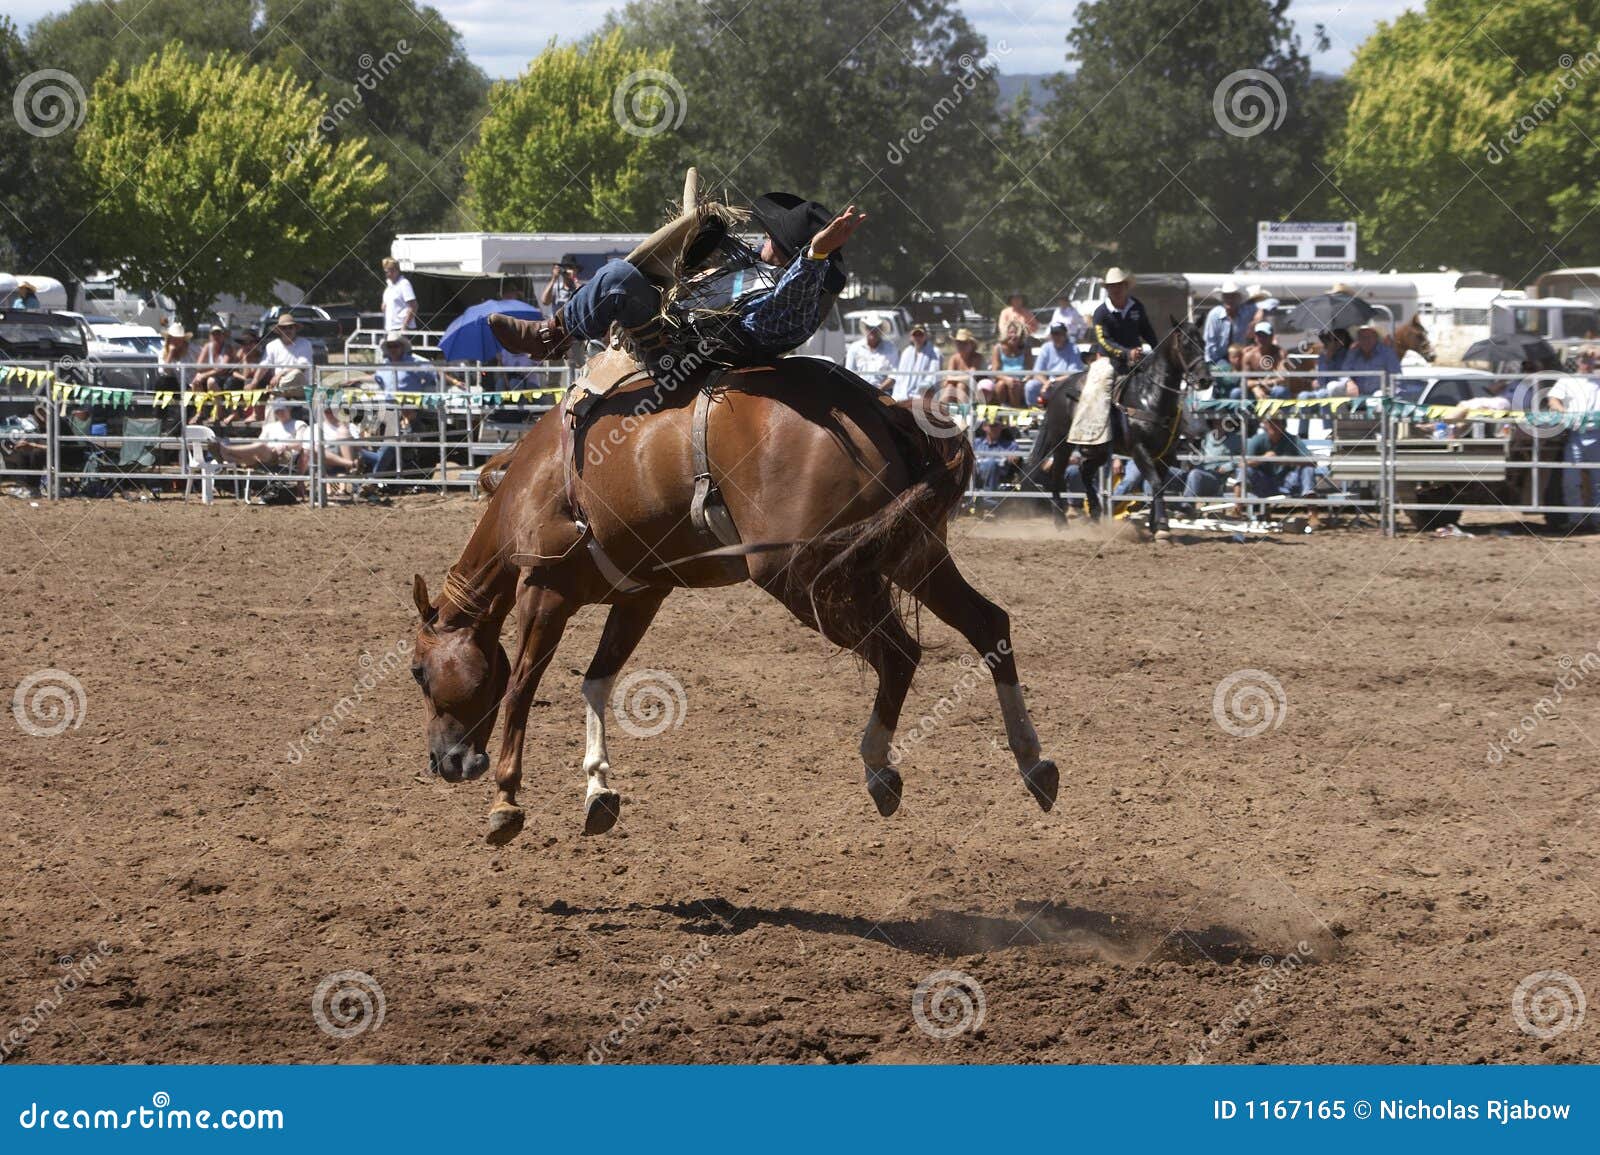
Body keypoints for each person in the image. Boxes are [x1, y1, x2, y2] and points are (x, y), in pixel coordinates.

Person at [490, 182, 862, 372]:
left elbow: (789, 298)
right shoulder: (754, 266)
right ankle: (568, 331)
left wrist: (816, 254)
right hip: (677, 322)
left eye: (771, 236)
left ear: (785, 251)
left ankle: (551, 337)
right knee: (629, 274)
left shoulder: (784, 300)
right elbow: (720, 250)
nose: (764, 236)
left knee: (618, 278)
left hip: (680, 349)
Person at [1549, 369, 1600, 531]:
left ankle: (1597, 520)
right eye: (1585, 356)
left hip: (1597, 433)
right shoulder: (1568, 380)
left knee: (1598, 482)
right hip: (1576, 434)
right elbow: (1553, 399)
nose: (1590, 360)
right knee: (1570, 480)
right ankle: (1575, 519)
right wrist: (1564, 413)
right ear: (1578, 360)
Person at [1245, 416, 1315, 498]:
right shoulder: (1257, 439)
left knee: (1308, 468)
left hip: (1289, 482)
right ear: (1265, 425)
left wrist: (1287, 461)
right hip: (1264, 482)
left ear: (1283, 425)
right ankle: (1238, 506)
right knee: (1245, 470)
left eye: (1277, 422)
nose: (1273, 426)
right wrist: (1263, 458)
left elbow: (1312, 461)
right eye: (1270, 423)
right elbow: (1243, 464)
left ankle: (1311, 506)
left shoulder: (1293, 440)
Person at [1332, 322, 1401, 396]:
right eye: (1362, 337)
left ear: (1376, 338)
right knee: (1333, 386)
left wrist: (1388, 391)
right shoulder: (1353, 353)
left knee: (1379, 395)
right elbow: (1344, 373)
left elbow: (1396, 377)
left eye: (1369, 337)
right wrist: (1349, 382)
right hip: (1357, 395)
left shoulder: (1387, 353)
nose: (1365, 340)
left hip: (1380, 394)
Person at [252, 315, 314, 395]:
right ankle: (277, 393)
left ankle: (277, 391)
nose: (288, 330)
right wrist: (254, 382)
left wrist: (280, 374)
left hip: (301, 388)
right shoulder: (272, 345)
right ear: (279, 330)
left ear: (295, 329)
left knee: (296, 373)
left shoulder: (305, 344)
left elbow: (303, 367)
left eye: (290, 327)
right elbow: (264, 366)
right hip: (278, 386)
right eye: (284, 328)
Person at [1202, 280, 1256, 366]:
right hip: (1218, 359)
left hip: (1240, 357)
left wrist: (1260, 312)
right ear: (1223, 298)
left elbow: (1269, 303)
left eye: (1233, 296)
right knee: (1229, 377)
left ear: (1239, 298)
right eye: (1227, 296)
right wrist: (1215, 364)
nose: (1230, 299)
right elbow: (1210, 343)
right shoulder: (1215, 315)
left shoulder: (1245, 311)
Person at [1029, 321, 1084, 406]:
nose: (1057, 337)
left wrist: (1052, 381)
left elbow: (1073, 374)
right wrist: (1046, 383)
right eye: (1054, 334)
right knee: (1030, 386)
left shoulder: (1073, 348)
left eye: (1059, 334)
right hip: (1047, 383)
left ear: (1065, 335)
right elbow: (1037, 371)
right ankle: (1032, 414)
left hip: (1065, 383)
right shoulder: (1046, 347)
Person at [1237, 321, 1290, 399]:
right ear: (1255, 337)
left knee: (1280, 391)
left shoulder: (1280, 354)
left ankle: (1278, 411)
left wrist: (1263, 384)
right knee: (1236, 393)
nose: (1261, 339)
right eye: (1259, 335)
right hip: (1255, 391)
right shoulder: (1248, 356)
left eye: (1265, 335)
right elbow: (1244, 382)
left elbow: (1283, 379)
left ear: (1271, 337)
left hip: (1273, 389)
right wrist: (1255, 388)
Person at [985, 328, 1032, 408]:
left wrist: (1024, 380)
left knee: (1015, 385)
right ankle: (1001, 415)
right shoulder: (998, 348)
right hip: (1003, 380)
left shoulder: (1026, 349)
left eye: (1016, 333)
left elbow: (1030, 370)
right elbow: (994, 371)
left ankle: (1015, 414)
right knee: (1001, 385)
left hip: (1021, 383)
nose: (1013, 335)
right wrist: (1006, 379)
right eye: (1011, 332)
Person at [891, 324, 940, 401]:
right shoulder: (906, 352)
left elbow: (933, 376)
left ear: (926, 336)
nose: (917, 338)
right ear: (911, 337)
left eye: (920, 335)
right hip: (903, 395)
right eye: (915, 335)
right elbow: (900, 376)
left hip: (922, 395)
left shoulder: (935, 352)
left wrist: (922, 389)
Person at [845, 319, 897, 390]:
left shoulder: (891, 347)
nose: (873, 330)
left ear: (881, 329)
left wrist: (878, 390)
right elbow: (849, 372)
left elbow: (894, 375)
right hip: (859, 391)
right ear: (865, 329)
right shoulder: (855, 347)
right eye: (870, 327)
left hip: (884, 393)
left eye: (876, 327)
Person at [973, 420, 1019, 491]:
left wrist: (1014, 459)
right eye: (992, 425)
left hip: (998, 475)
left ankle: (989, 499)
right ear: (984, 427)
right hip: (977, 473)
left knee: (991, 464)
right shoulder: (976, 443)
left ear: (1002, 427)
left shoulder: (1010, 445)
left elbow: (1016, 459)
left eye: (997, 425)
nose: (994, 429)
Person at [942, 328, 983, 406]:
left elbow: (971, 377)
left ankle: (964, 415)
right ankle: (941, 414)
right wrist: (955, 379)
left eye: (964, 343)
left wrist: (953, 378)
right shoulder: (954, 358)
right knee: (949, 387)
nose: (960, 345)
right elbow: (948, 377)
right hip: (955, 389)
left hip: (975, 390)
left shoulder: (977, 357)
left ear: (972, 344)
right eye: (958, 342)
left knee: (961, 386)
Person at [381, 258, 417, 333]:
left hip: (401, 328)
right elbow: (385, 306)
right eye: (385, 271)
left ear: (395, 271)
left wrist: (404, 327)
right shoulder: (388, 287)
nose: (386, 274)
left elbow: (413, 306)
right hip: (390, 328)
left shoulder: (404, 284)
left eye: (388, 271)